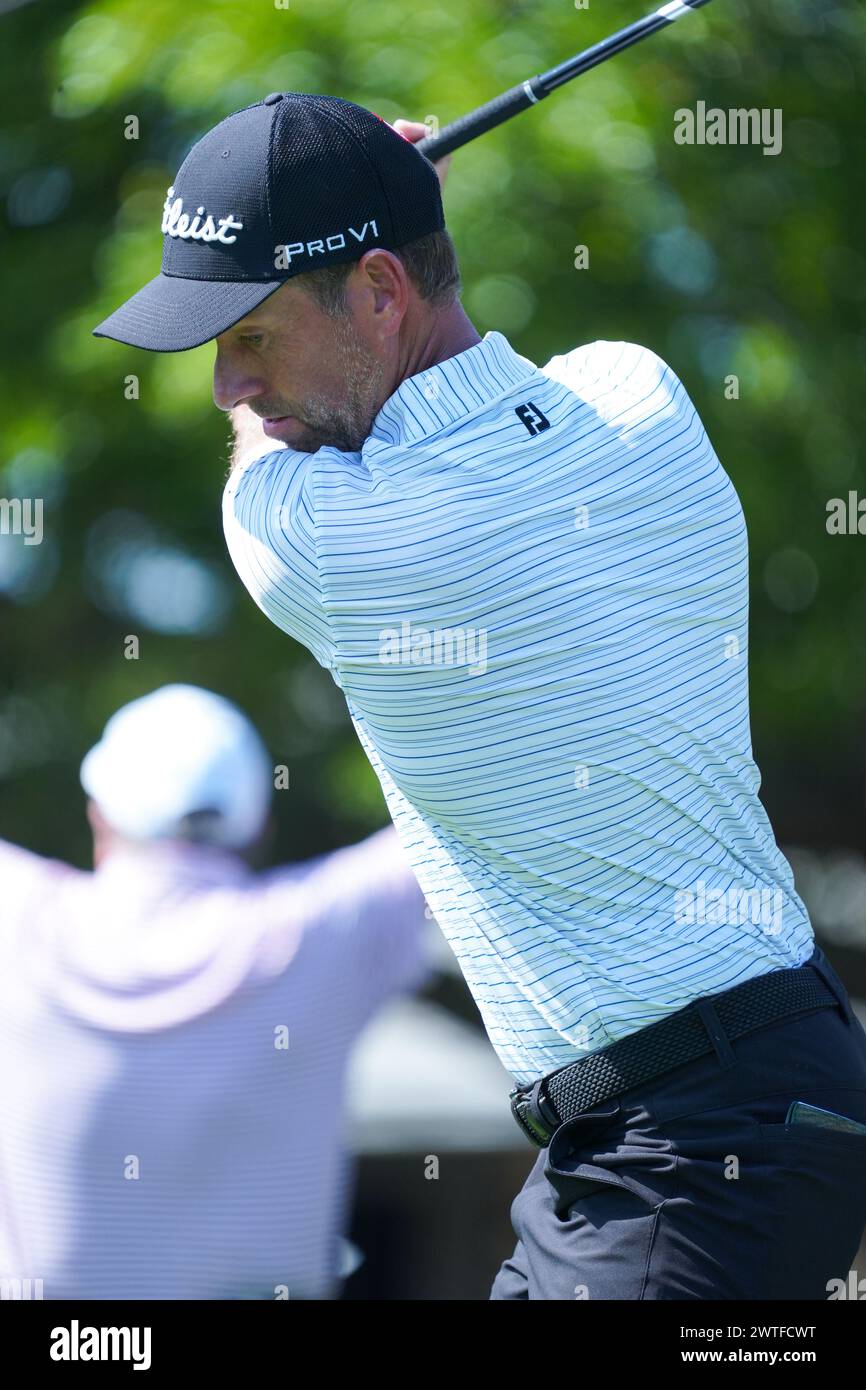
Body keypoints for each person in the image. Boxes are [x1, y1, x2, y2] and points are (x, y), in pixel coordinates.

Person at [92, 93, 866, 1299]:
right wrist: (391, 230)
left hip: (689, 1146)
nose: (227, 390)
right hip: (742, 1103)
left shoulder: (337, 540)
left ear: (383, 292)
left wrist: (395, 220)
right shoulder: (638, 397)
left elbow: (280, 478)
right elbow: (494, 395)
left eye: (247, 333)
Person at [0, 683, 430, 1300]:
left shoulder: (14, 921)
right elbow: (463, 815)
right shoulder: (324, 930)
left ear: (98, 816)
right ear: (261, 829)